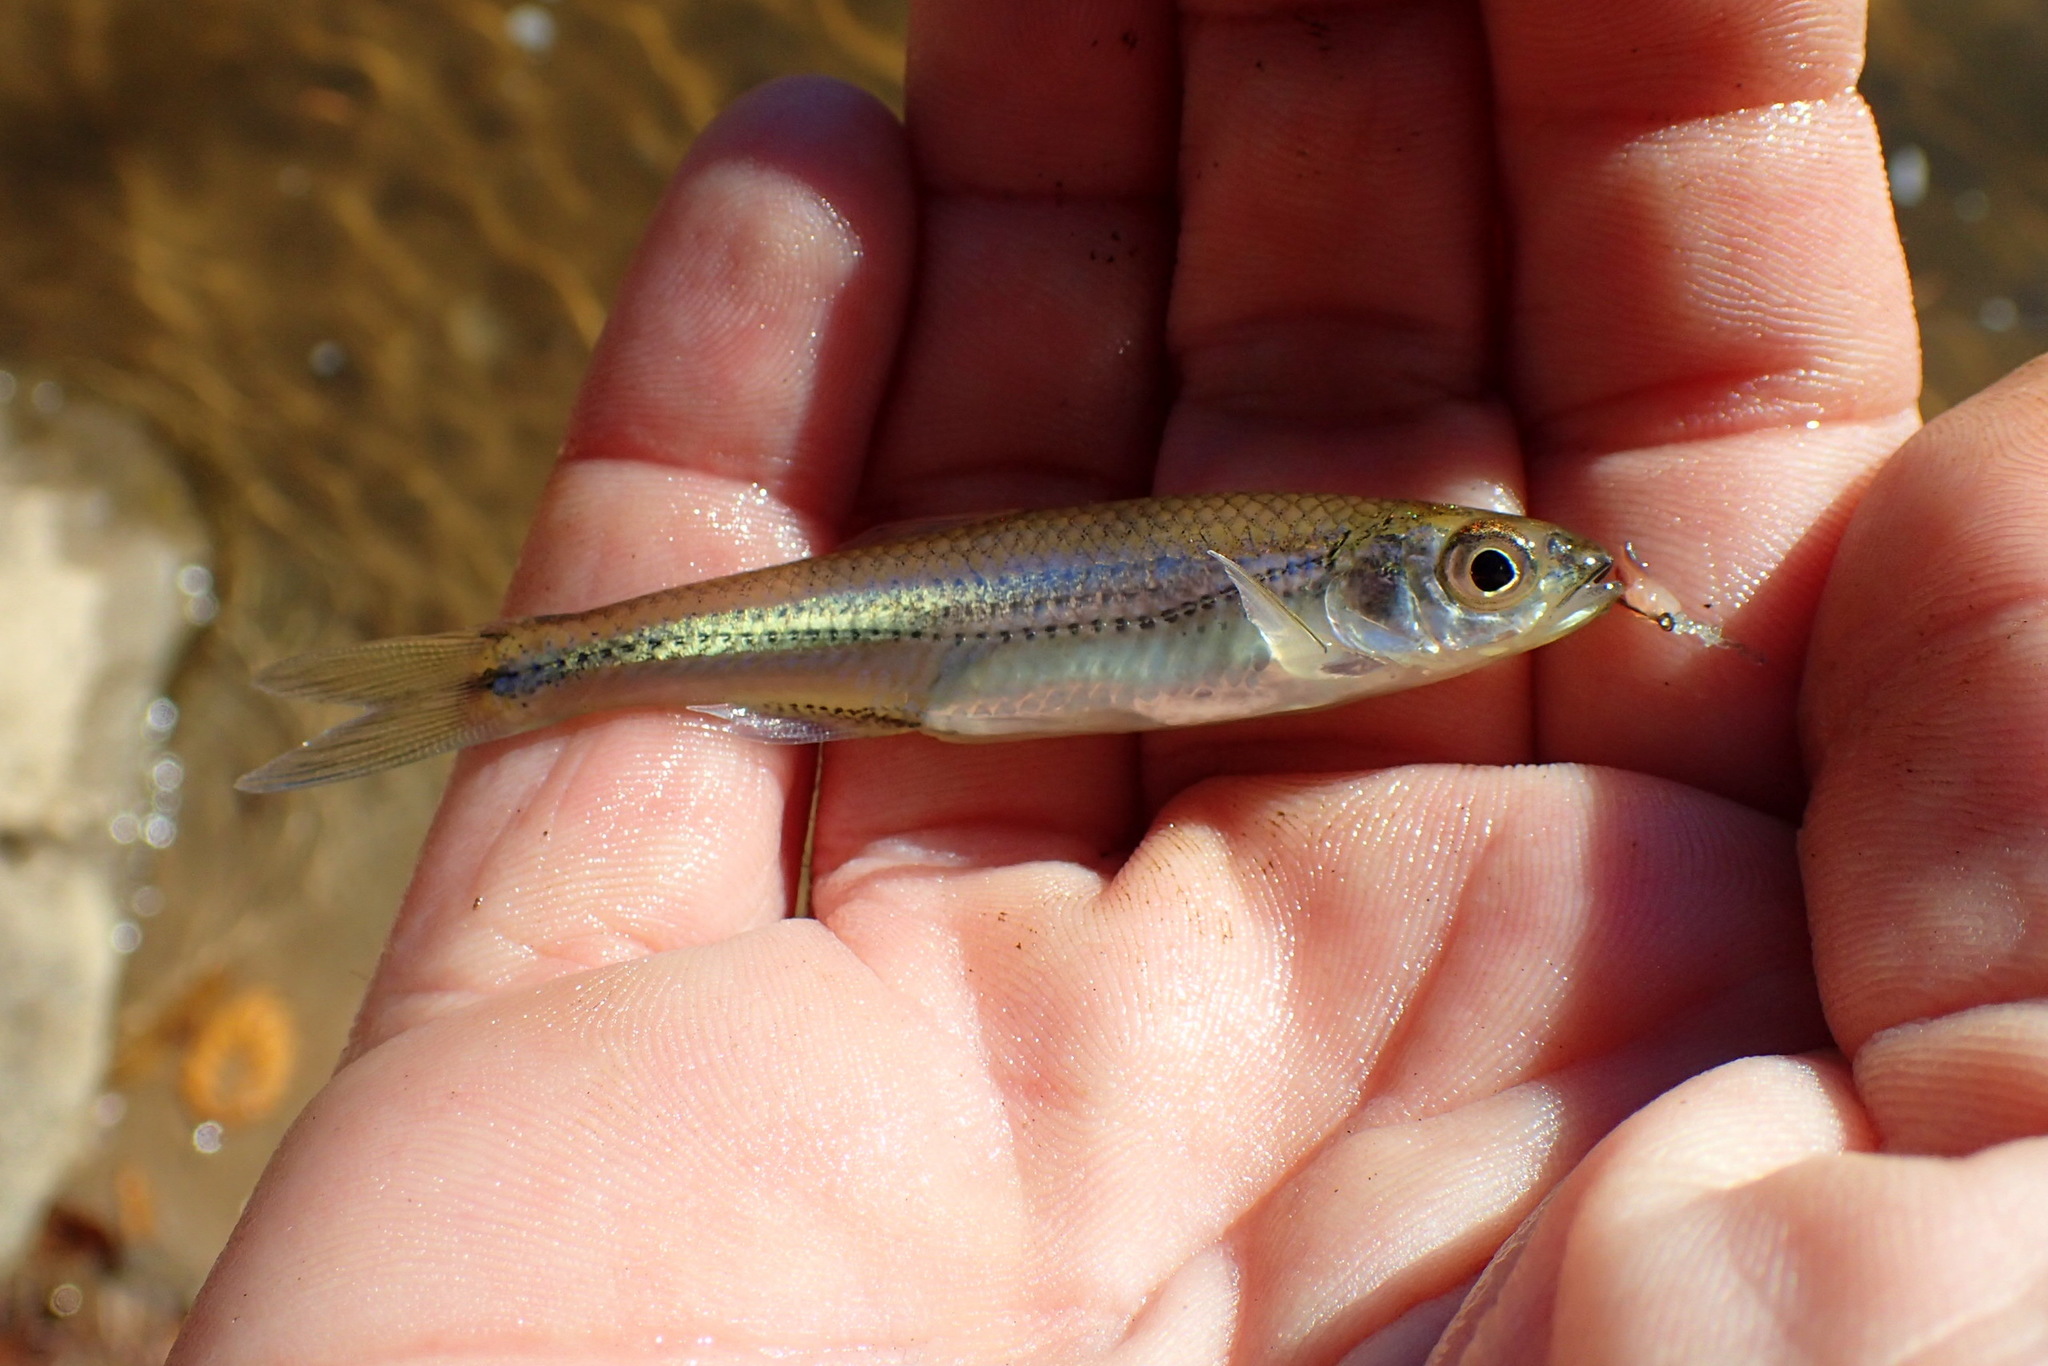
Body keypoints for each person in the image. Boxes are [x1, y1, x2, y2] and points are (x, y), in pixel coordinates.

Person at [172, 0, 2048, 1360]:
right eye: (1479, 577)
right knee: (625, 652)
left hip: (926, 656)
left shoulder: (1316, 608)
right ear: (1357, 579)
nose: (1514, 595)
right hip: (892, 644)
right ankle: (503, 679)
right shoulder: (1291, 606)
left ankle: (504, 680)